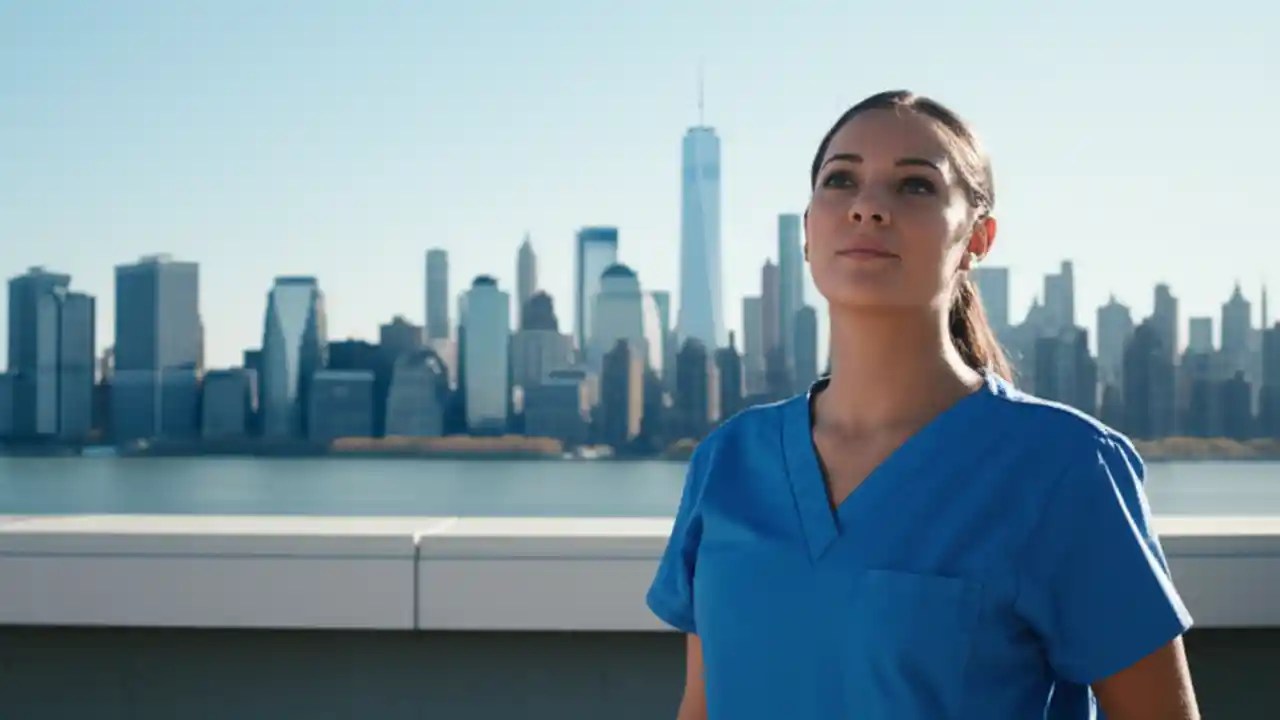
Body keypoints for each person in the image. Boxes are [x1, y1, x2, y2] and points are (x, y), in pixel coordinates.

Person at [645, 90, 1199, 719]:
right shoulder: (729, 462)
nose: (867, 207)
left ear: (978, 239)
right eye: (841, 180)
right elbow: (702, 705)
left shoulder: (1064, 469)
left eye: (914, 187)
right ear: (806, 231)